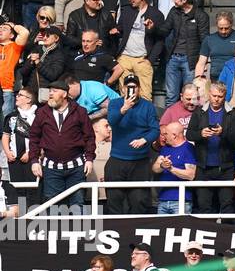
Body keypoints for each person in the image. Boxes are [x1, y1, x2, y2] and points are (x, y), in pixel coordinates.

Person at [26, 78, 95, 207]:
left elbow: (89, 137)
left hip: (76, 167)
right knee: (53, 204)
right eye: (50, 91)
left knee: (77, 203)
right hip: (51, 168)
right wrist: (34, 161)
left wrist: (90, 158)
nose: (50, 94)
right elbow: (34, 138)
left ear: (64, 94)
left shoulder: (80, 112)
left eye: (54, 91)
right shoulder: (42, 113)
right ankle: (55, 228)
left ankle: (77, 228)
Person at [104, 74, 160, 215]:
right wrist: (124, 108)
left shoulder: (148, 106)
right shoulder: (115, 103)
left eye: (134, 87)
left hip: (140, 161)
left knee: (139, 201)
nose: (131, 90)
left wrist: (144, 139)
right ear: (123, 89)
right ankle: (115, 231)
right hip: (117, 159)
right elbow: (112, 121)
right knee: (114, 200)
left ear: (139, 89)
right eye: (128, 87)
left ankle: (136, 232)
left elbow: (155, 130)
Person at [186, 81, 235, 216]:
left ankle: (226, 236)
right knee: (204, 205)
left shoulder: (233, 113)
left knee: (227, 206)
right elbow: (189, 134)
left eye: (220, 96)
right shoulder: (199, 112)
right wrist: (200, 134)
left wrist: (223, 133)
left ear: (225, 96)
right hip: (203, 167)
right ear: (208, 95)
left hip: (225, 168)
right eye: (214, 95)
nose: (217, 99)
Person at [153, 119, 197, 214]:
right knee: (162, 228)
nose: (164, 137)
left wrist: (171, 168)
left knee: (180, 228)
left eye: (166, 134)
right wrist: (162, 165)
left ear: (174, 135)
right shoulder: (165, 148)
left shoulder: (188, 148)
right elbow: (155, 168)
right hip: (162, 199)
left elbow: (191, 175)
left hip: (181, 200)